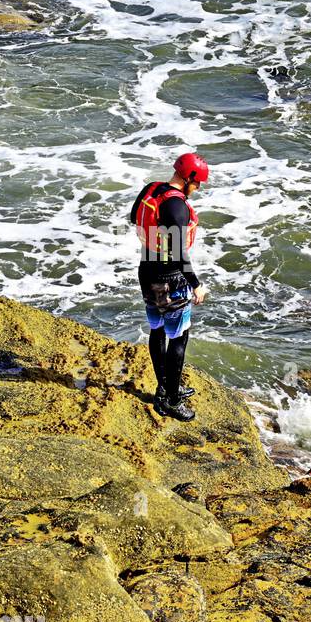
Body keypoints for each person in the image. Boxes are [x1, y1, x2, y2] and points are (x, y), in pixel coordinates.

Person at [131, 152, 210, 422]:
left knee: (157, 329)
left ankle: (165, 387)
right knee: (178, 337)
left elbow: (134, 217)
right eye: (197, 183)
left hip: (146, 269)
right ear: (189, 179)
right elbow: (177, 252)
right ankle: (172, 401)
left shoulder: (151, 190)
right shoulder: (176, 207)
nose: (198, 189)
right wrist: (195, 284)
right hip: (171, 278)